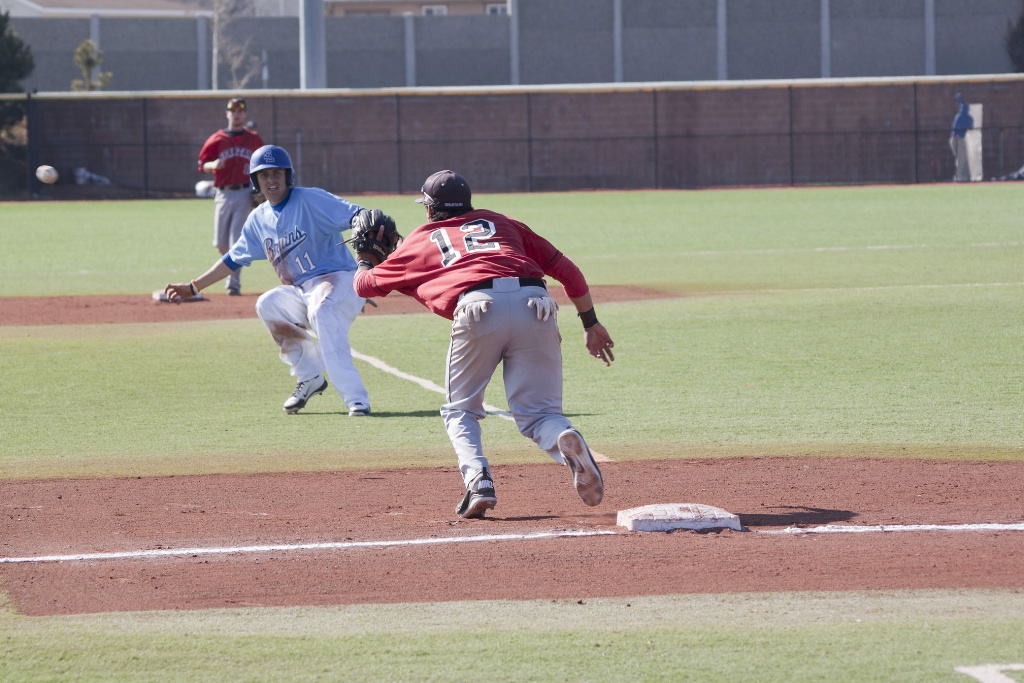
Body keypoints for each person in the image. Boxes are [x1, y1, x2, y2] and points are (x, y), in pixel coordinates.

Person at [353, 170, 616, 518]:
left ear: (429, 209)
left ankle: (479, 482)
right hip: (535, 304)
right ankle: (562, 435)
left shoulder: (421, 239)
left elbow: (365, 285)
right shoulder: (504, 223)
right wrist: (590, 323)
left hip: (478, 308)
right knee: (541, 414)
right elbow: (569, 271)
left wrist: (366, 258)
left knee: (461, 410)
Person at [166, 144, 383, 417]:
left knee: (323, 309)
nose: (271, 179)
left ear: (288, 176)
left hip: (338, 280)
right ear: (255, 180)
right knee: (267, 303)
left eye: (277, 173)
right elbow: (233, 259)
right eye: (264, 174)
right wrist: (194, 287)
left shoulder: (311, 199)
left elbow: (360, 216)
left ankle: (356, 400)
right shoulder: (258, 219)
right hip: (302, 291)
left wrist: (365, 273)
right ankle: (310, 377)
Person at [197, 97, 265, 296]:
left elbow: (264, 164)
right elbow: (202, 164)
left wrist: (261, 188)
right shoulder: (217, 139)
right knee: (221, 244)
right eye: (233, 111)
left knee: (236, 241)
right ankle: (231, 272)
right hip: (223, 193)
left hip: (245, 193)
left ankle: (233, 283)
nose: (237, 114)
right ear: (227, 113)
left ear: (245, 114)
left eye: (240, 111)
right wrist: (213, 165)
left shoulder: (254, 140)